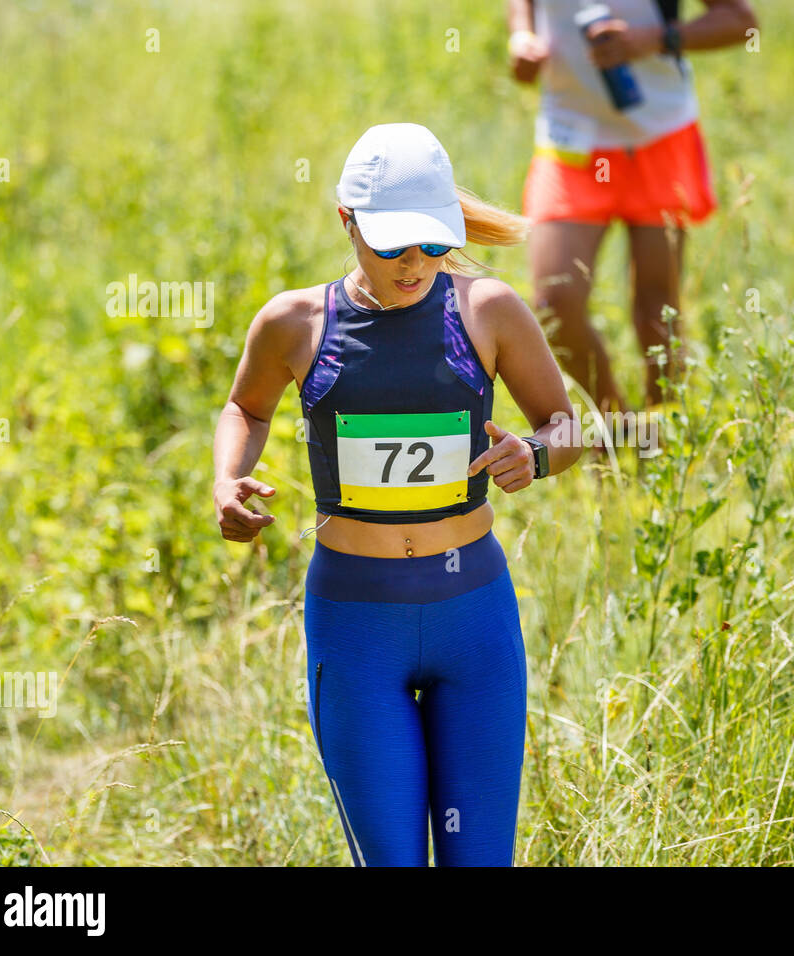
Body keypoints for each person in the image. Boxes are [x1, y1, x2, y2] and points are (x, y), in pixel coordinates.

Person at [211, 123, 581, 866]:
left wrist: (536, 456)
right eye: (391, 247)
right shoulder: (295, 323)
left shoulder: (488, 310)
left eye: (433, 244)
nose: (414, 265)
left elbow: (566, 424)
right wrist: (227, 479)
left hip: (471, 619)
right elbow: (246, 409)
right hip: (356, 629)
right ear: (347, 221)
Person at [507, 0, 757, 415]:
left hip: (659, 135)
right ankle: (615, 426)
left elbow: (741, 22)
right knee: (554, 305)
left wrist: (654, 40)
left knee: (656, 311)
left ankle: (662, 443)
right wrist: (522, 36)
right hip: (571, 140)